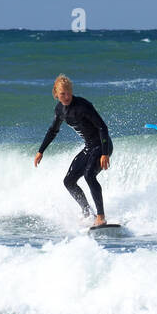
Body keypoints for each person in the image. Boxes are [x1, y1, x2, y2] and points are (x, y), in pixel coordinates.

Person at [33, 75, 113, 226]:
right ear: (56, 94)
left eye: (69, 92)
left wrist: (104, 153)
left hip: (102, 145)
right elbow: (53, 131)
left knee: (89, 175)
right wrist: (41, 151)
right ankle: (87, 212)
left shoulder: (83, 106)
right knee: (69, 181)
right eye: (63, 94)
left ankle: (101, 217)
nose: (67, 96)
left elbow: (102, 127)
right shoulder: (60, 110)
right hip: (89, 147)